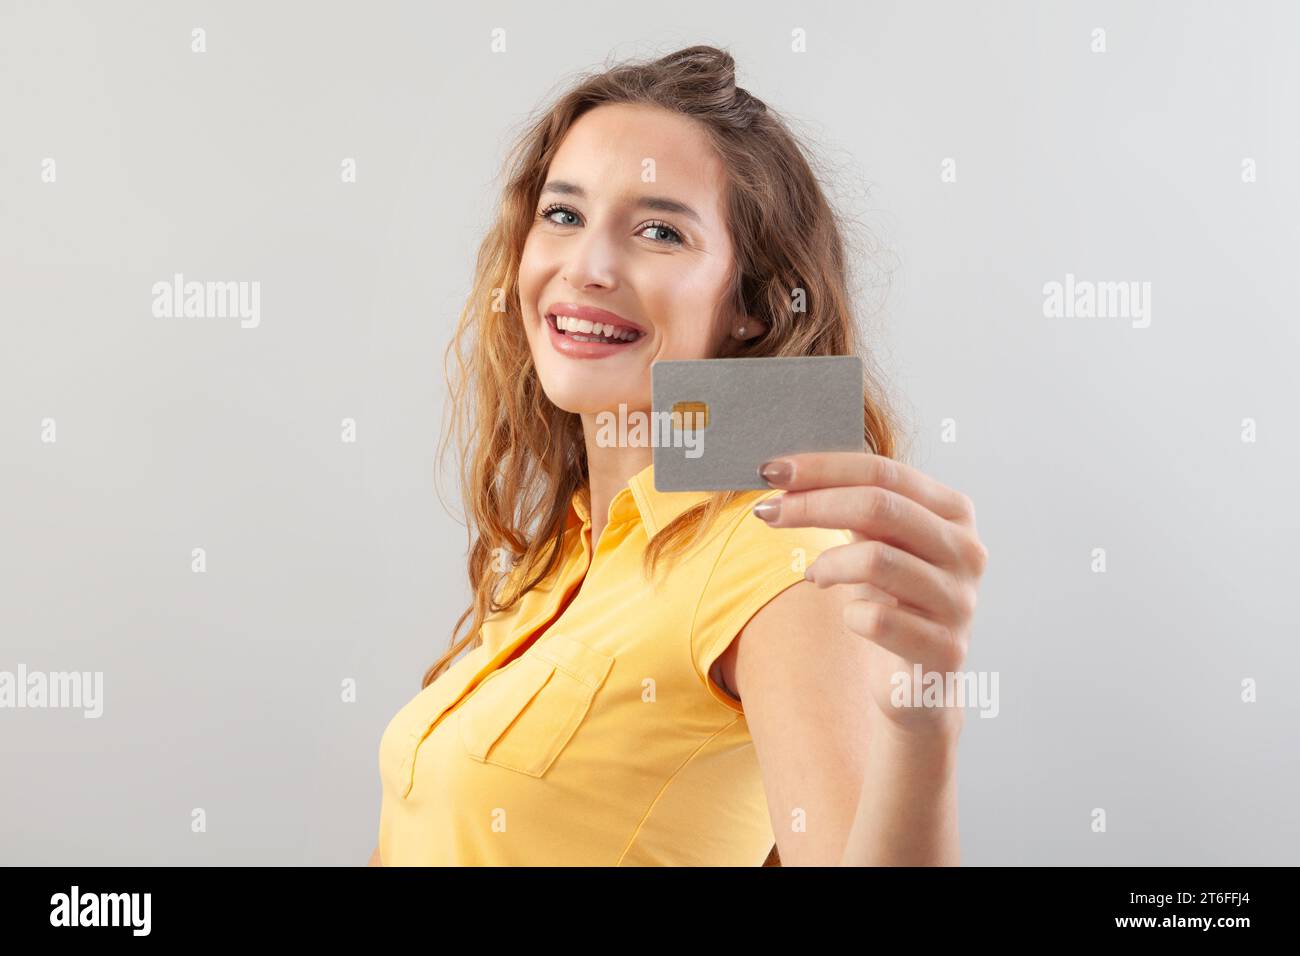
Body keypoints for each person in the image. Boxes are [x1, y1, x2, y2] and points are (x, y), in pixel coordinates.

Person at [371, 45, 988, 867]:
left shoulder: (775, 548)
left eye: (659, 231)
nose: (586, 267)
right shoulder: (563, 547)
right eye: (563, 214)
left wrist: (924, 725)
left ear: (753, 307)